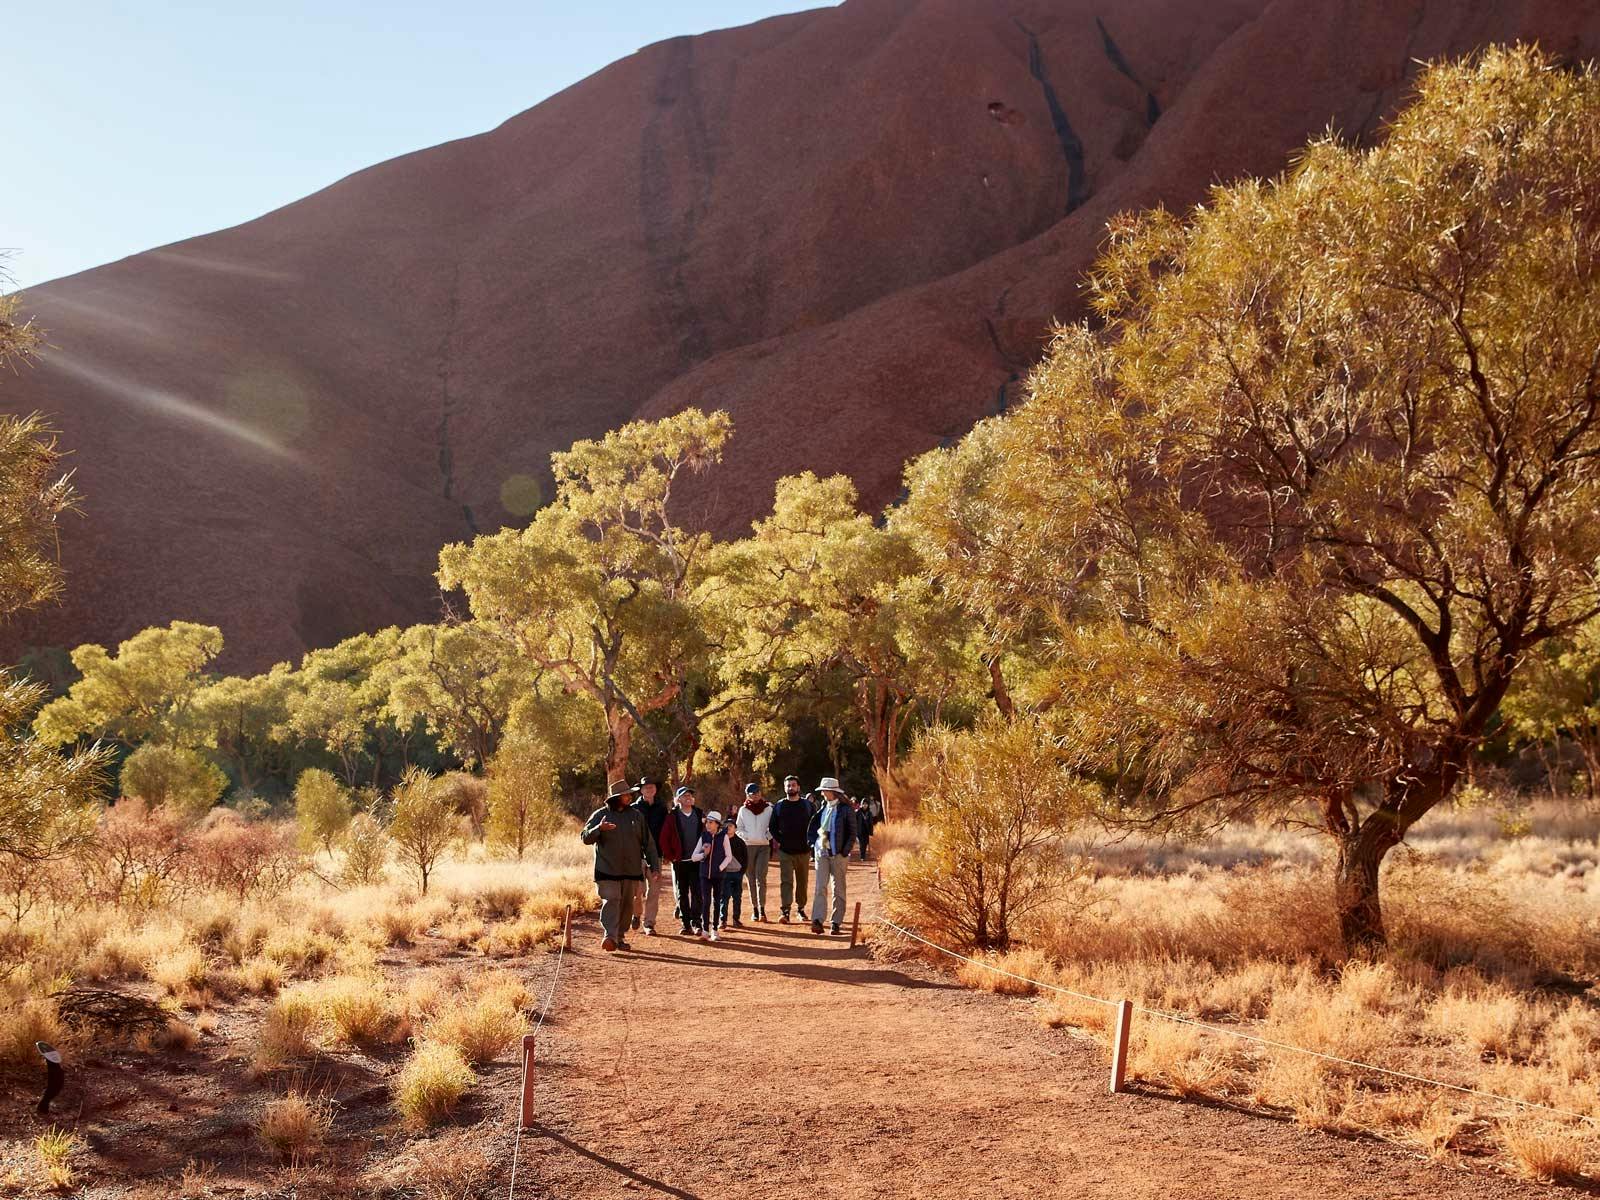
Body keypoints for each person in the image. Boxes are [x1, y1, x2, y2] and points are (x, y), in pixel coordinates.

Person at [579, 779, 659, 952]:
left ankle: (620, 937)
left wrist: (655, 867)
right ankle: (610, 936)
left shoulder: (637, 816)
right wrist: (599, 829)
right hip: (607, 869)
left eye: (630, 794)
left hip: (631, 870)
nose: (630, 796)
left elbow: (648, 843)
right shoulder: (600, 815)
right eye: (626, 794)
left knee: (627, 905)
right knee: (612, 900)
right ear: (616, 797)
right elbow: (585, 837)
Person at [806, 777, 857, 935]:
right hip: (822, 853)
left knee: (838, 888)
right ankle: (817, 920)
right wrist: (814, 844)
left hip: (838, 855)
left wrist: (844, 852)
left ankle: (836, 922)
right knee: (820, 886)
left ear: (832, 792)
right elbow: (814, 827)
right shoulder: (823, 807)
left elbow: (852, 832)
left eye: (824, 790)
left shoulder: (846, 810)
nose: (822, 793)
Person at [655, 784, 705, 936]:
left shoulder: (699, 814)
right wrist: (671, 857)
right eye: (684, 796)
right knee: (682, 893)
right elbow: (664, 839)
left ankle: (697, 923)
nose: (688, 798)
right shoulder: (672, 816)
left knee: (697, 892)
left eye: (690, 795)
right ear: (678, 799)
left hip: (697, 861)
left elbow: (707, 834)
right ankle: (686, 924)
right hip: (680, 862)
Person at [769, 775, 813, 924]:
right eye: (788, 785)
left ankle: (801, 909)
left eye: (793, 785)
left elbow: (814, 825)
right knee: (786, 882)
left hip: (804, 851)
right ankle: (785, 911)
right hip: (786, 851)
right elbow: (772, 827)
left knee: (802, 882)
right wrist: (780, 841)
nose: (791, 788)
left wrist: (811, 842)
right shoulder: (779, 806)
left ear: (798, 788)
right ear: (784, 788)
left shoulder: (807, 805)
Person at [691, 811, 740, 942]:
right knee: (706, 902)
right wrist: (704, 855)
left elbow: (729, 856)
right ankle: (705, 930)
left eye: (711, 822)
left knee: (717, 901)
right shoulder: (703, 836)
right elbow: (694, 857)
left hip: (718, 876)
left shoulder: (723, 837)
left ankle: (715, 931)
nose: (708, 824)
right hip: (704, 875)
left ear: (717, 824)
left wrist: (719, 868)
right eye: (707, 822)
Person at [735, 782, 775, 921]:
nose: (756, 794)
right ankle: (755, 910)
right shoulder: (743, 810)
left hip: (764, 846)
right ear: (748, 795)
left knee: (761, 877)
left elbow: (774, 826)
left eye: (758, 792)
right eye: (753, 792)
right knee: (750, 878)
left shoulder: (768, 809)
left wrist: (767, 836)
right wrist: (747, 837)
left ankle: (762, 910)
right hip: (748, 847)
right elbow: (738, 828)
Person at [635, 776, 669, 935]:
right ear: (641, 790)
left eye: (652, 787)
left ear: (656, 789)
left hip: (657, 855)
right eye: (646, 787)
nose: (649, 789)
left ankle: (649, 924)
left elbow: (667, 831)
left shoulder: (662, 808)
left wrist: (666, 851)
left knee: (654, 891)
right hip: (637, 855)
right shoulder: (634, 808)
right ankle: (635, 914)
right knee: (637, 890)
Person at [856, 793, 881, 861]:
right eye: (863, 804)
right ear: (861, 804)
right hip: (859, 830)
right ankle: (862, 857)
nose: (865, 805)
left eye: (866, 804)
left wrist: (871, 831)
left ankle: (863, 855)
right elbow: (855, 821)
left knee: (865, 843)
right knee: (862, 844)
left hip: (866, 830)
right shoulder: (858, 812)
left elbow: (871, 823)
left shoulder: (869, 813)